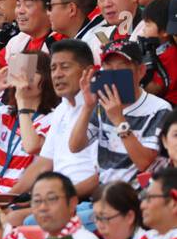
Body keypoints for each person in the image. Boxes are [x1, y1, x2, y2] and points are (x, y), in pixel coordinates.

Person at [69, 40, 171, 185]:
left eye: (121, 69)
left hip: (137, 194)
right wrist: (87, 107)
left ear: (141, 71)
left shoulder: (159, 108)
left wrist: (119, 120)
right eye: (108, 69)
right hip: (104, 191)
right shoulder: (102, 104)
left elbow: (144, 163)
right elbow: (75, 146)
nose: (113, 75)